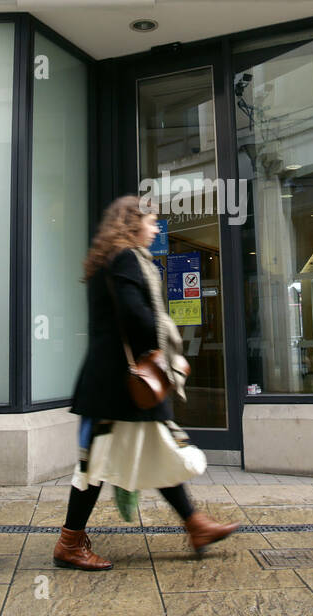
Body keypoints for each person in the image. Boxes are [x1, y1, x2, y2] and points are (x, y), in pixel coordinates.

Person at [54, 195, 239, 571]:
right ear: (132, 224)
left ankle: (195, 524)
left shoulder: (110, 259)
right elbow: (136, 316)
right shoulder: (126, 259)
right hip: (120, 386)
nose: (156, 229)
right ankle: (69, 543)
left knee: (155, 451)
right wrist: (169, 357)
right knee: (95, 465)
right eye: (151, 222)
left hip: (117, 385)